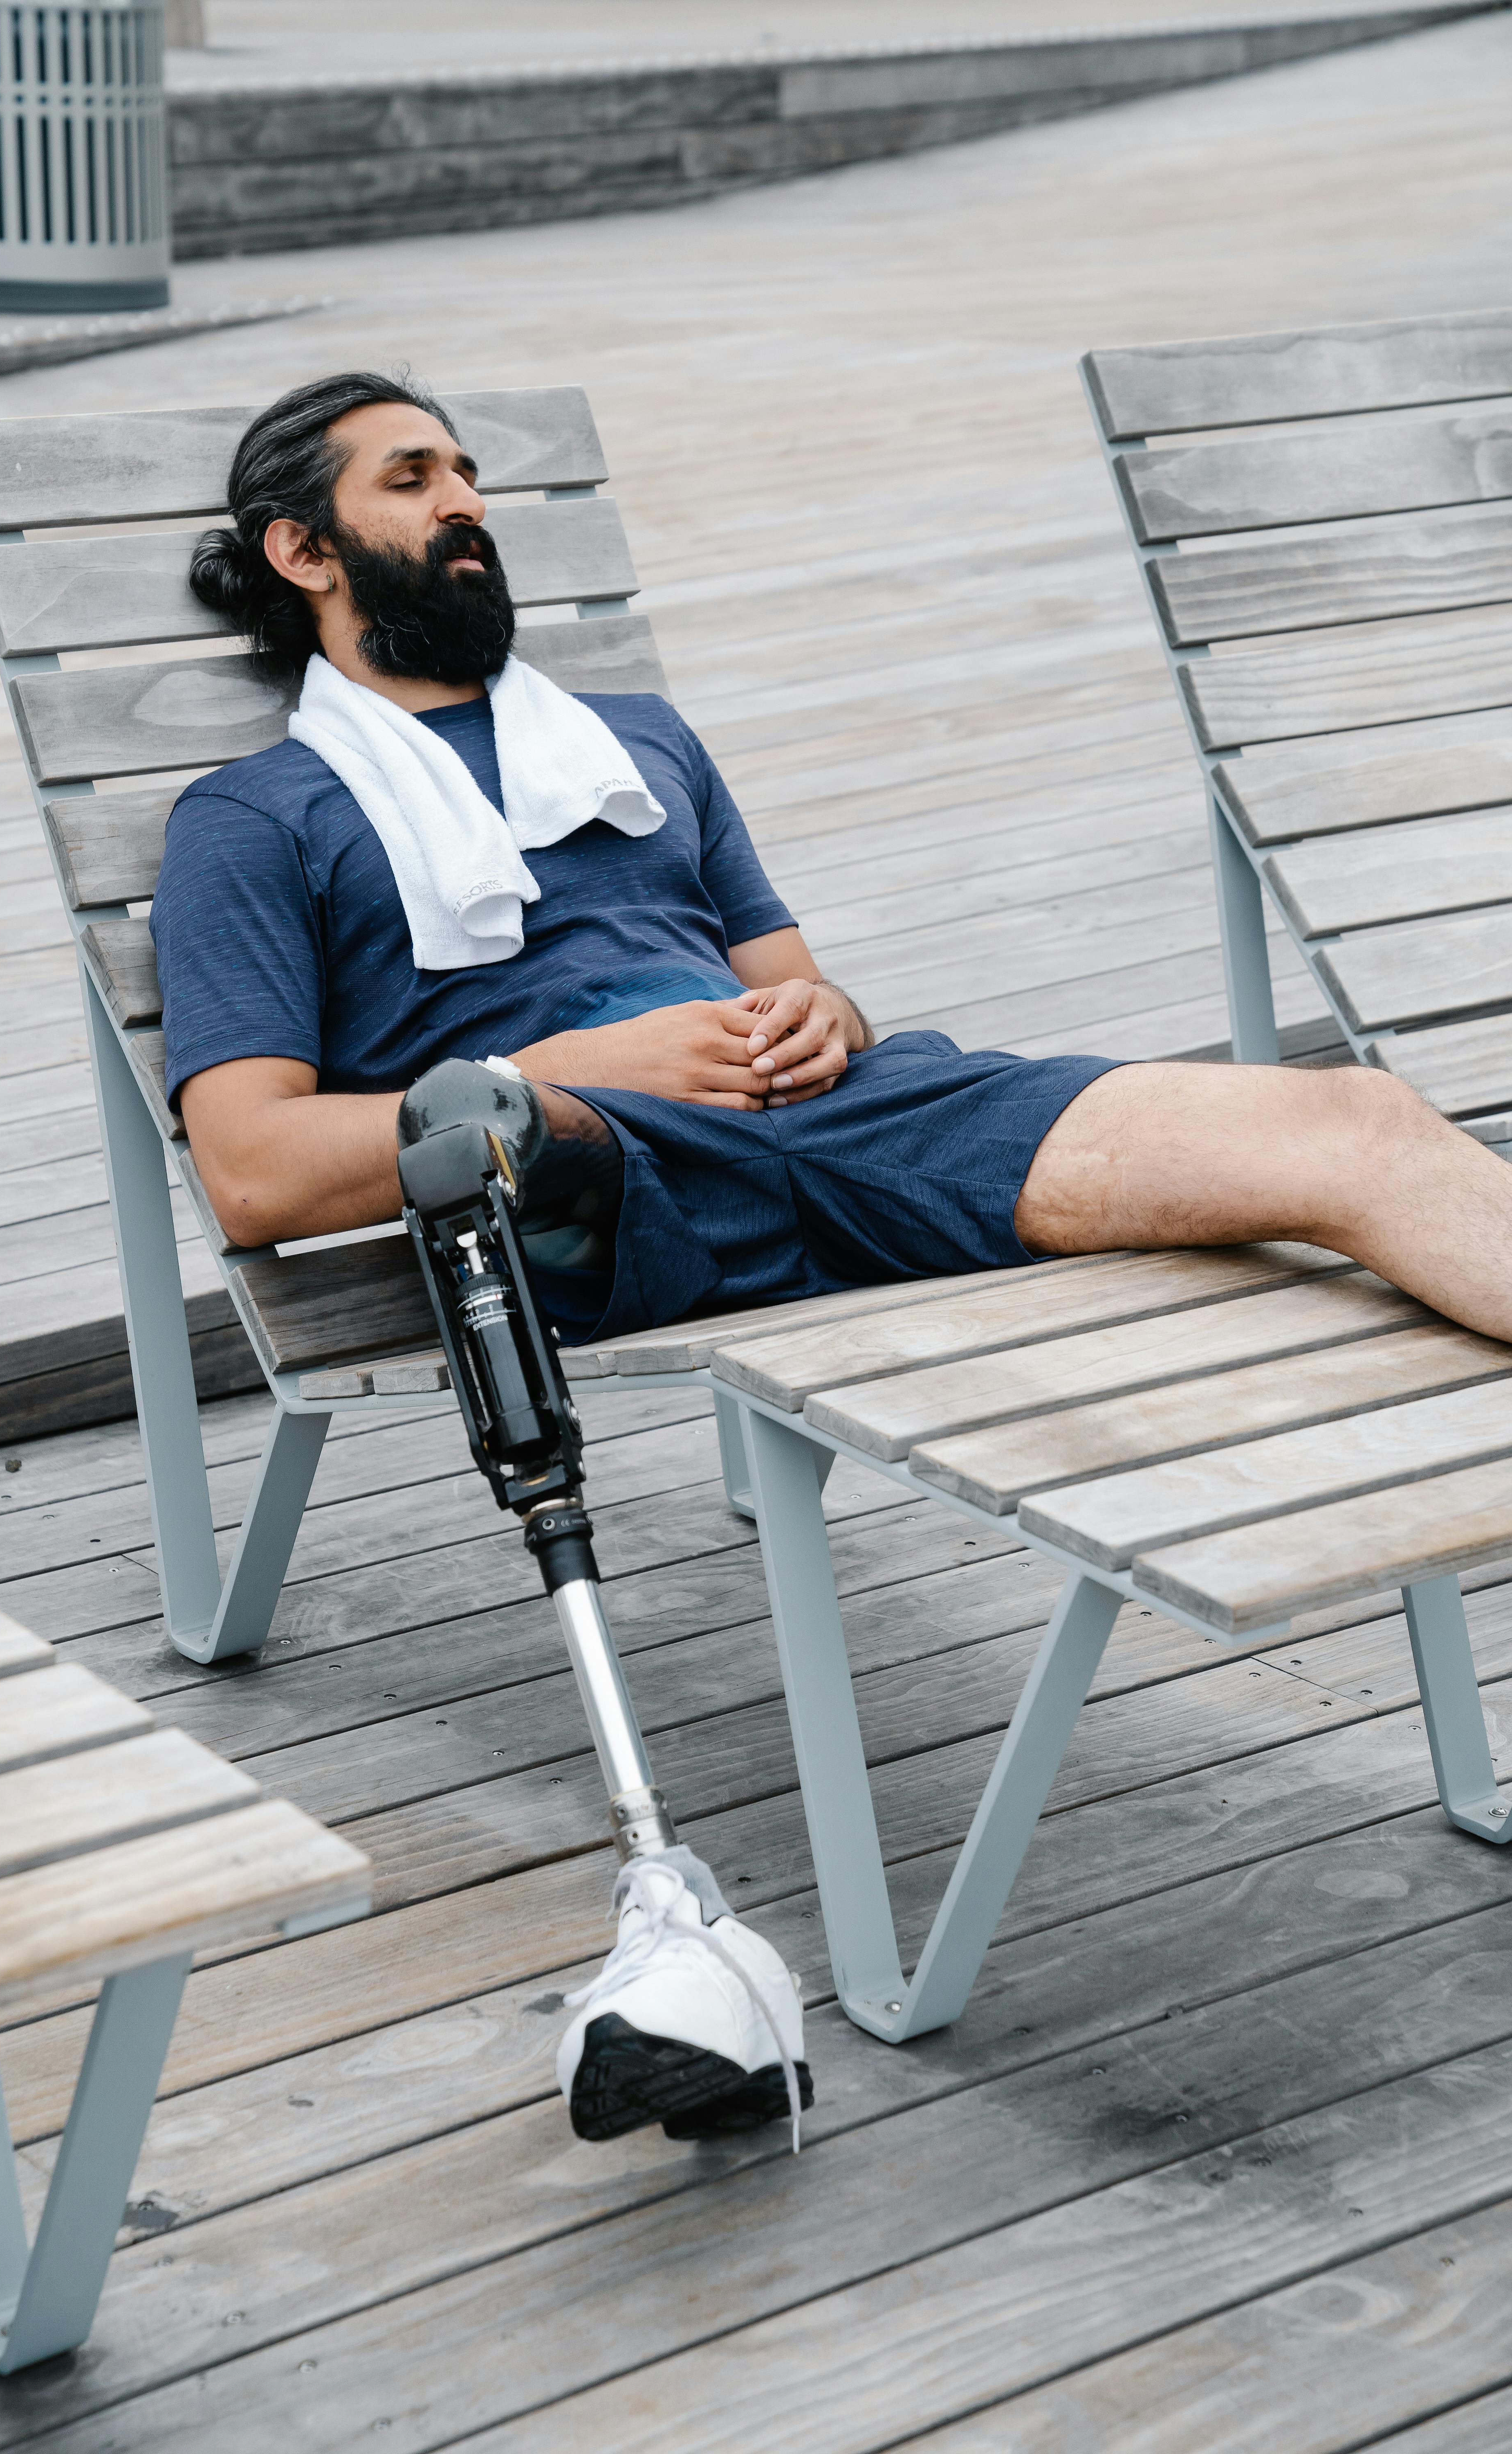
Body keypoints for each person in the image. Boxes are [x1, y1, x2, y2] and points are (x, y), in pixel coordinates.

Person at [155, 370, 1512, 2146]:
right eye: (415, 479)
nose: (467, 501)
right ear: (301, 549)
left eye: (472, 471)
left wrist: (816, 1018)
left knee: (1353, 1131)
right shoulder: (250, 823)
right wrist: (570, 1075)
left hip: (848, 1123)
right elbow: (253, 1173)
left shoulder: (635, 740)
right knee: (506, 1137)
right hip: (599, 1179)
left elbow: (799, 975)